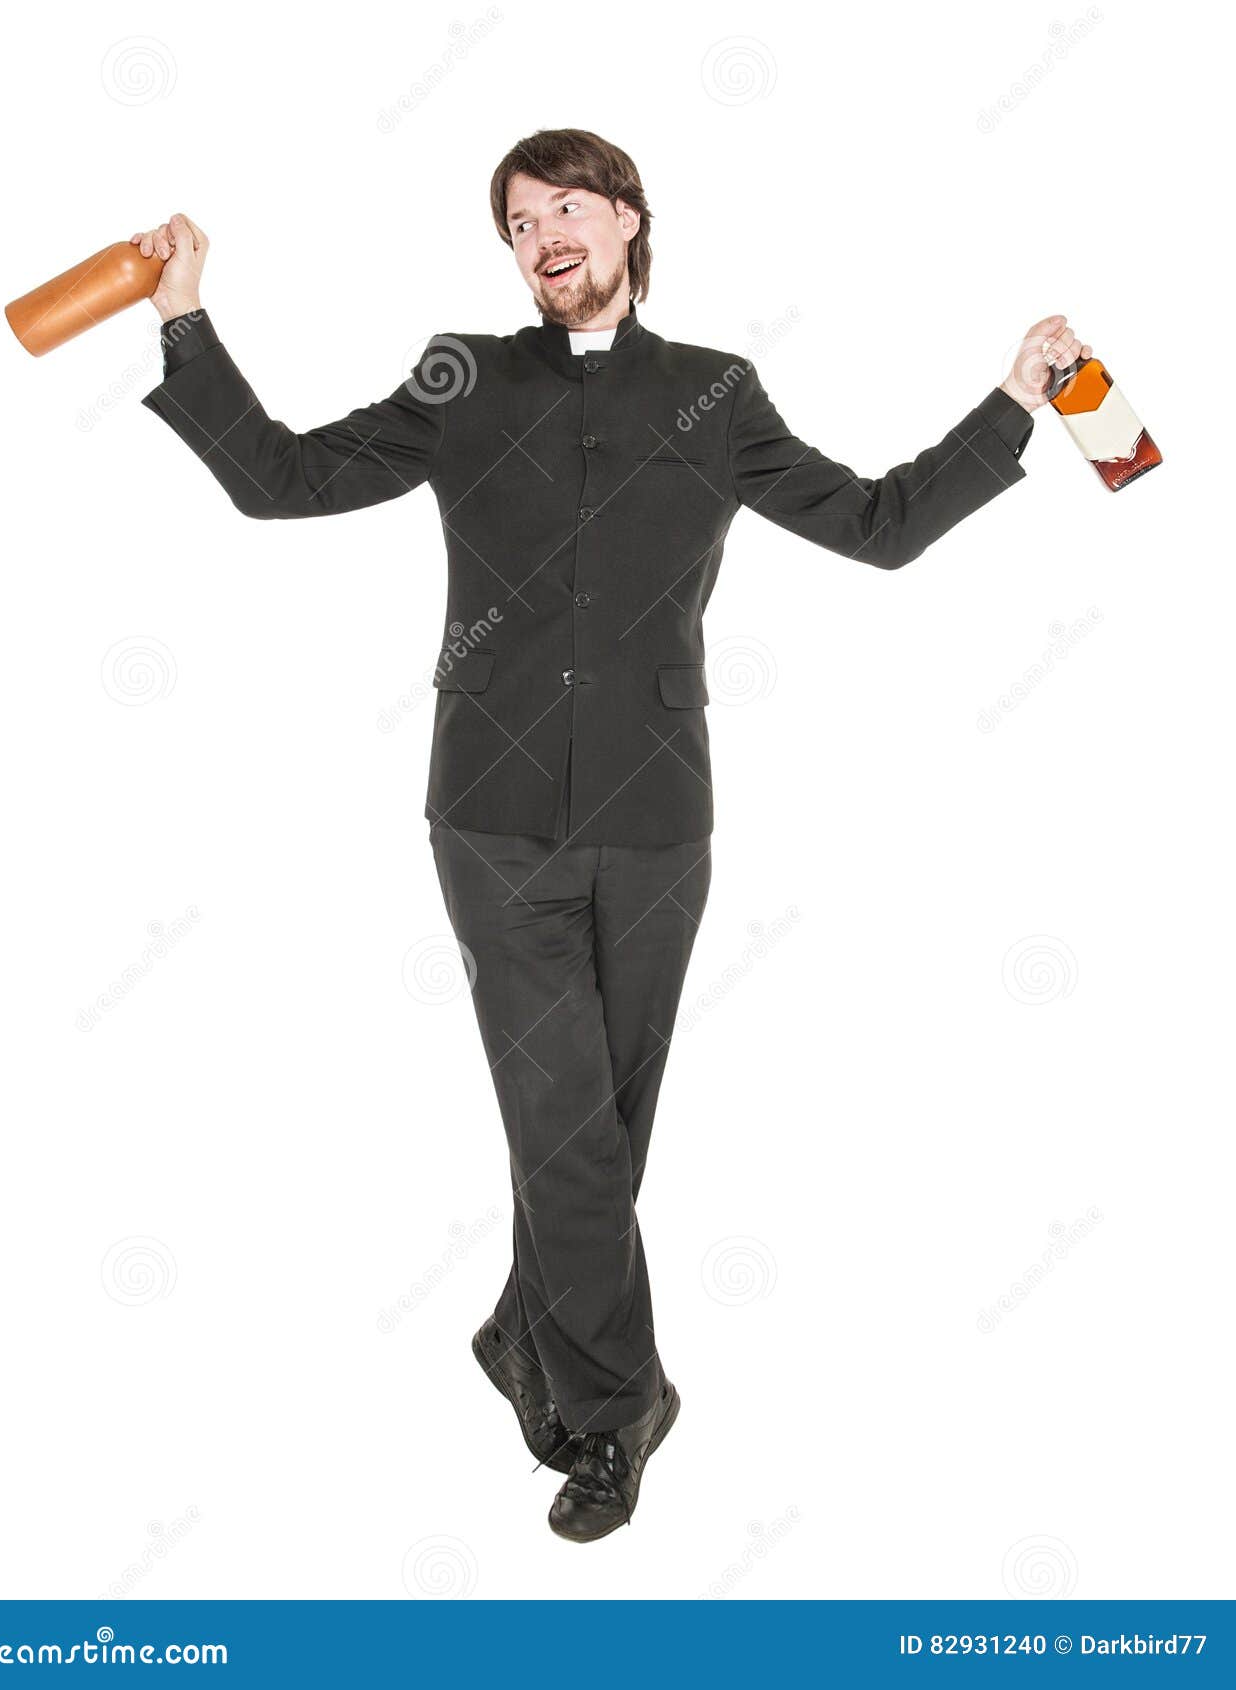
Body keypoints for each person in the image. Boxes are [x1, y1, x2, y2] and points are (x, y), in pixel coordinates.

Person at [135, 126, 1091, 1544]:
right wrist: (184, 317)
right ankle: (618, 1407)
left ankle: (528, 1325)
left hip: (657, 824)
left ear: (632, 219)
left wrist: (1015, 402)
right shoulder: (461, 376)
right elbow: (280, 479)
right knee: (569, 1130)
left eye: (567, 205)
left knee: (599, 1134)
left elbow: (882, 524)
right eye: (519, 222)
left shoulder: (715, 391)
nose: (542, 235)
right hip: (493, 826)